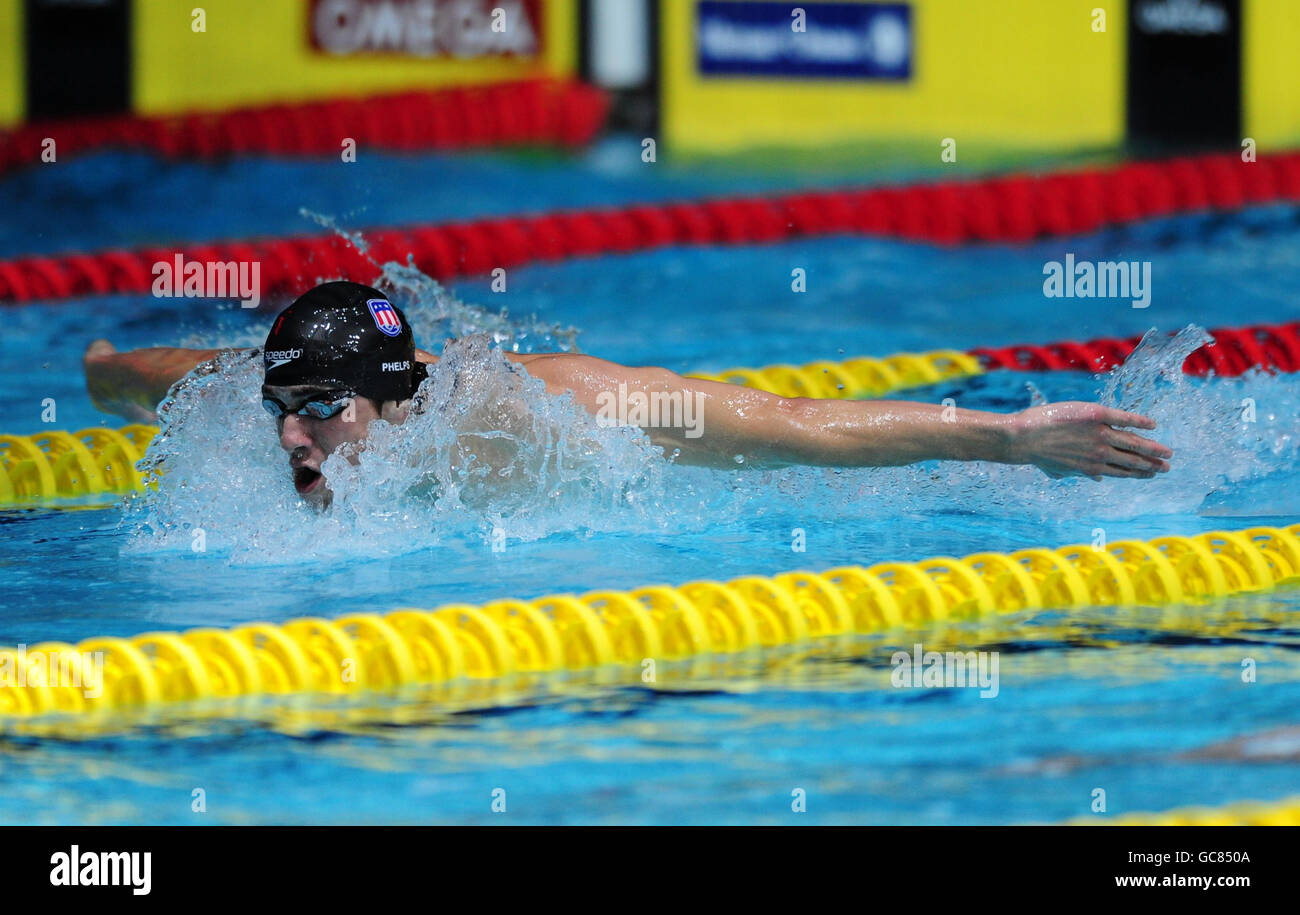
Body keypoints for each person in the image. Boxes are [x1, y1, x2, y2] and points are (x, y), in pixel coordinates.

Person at [83, 281, 1172, 505]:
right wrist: (102, 375)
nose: (291, 436)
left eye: (319, 411)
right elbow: (114, 371)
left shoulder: (543, 413)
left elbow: (795, 425)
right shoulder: (258, 396)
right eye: (283, 403)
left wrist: (1014, 437)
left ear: (392, 397)